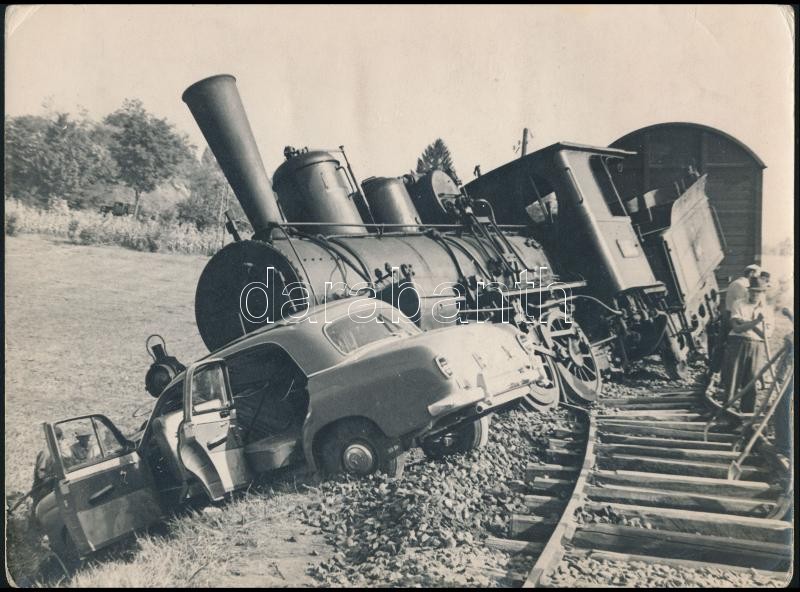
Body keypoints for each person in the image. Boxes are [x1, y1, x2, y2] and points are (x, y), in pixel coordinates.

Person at [721, 276, 770, 413]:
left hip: (757, 346)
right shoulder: (739, 304)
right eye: (753, 291)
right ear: (748, 291)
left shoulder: (767, 310)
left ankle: (747, 414)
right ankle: (726, 412)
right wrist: (755, 322)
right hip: (737, 343)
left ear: (762, 293)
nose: (755, 294)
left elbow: (765, 336)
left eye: (758, 292)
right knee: (732, 378)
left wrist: (744, 322)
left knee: (752, 381)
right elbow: (736, 328)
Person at [710, 264, 761, 374]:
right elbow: (742, 304)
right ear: (751, 273)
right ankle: (719, 372)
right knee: (729, 345)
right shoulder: (741, 285)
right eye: (757, 274)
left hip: (731, 314)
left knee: (723, 344)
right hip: (732, 316)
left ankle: (715, 371)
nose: (758, 277)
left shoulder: (737, 283)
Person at [30, 427, 64, 505]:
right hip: (43, 489)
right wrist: (54, 476)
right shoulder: (45, 453)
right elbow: (41, 475)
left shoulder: (57, 452)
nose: (60, 443)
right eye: (58, 440)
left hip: (52, 487)